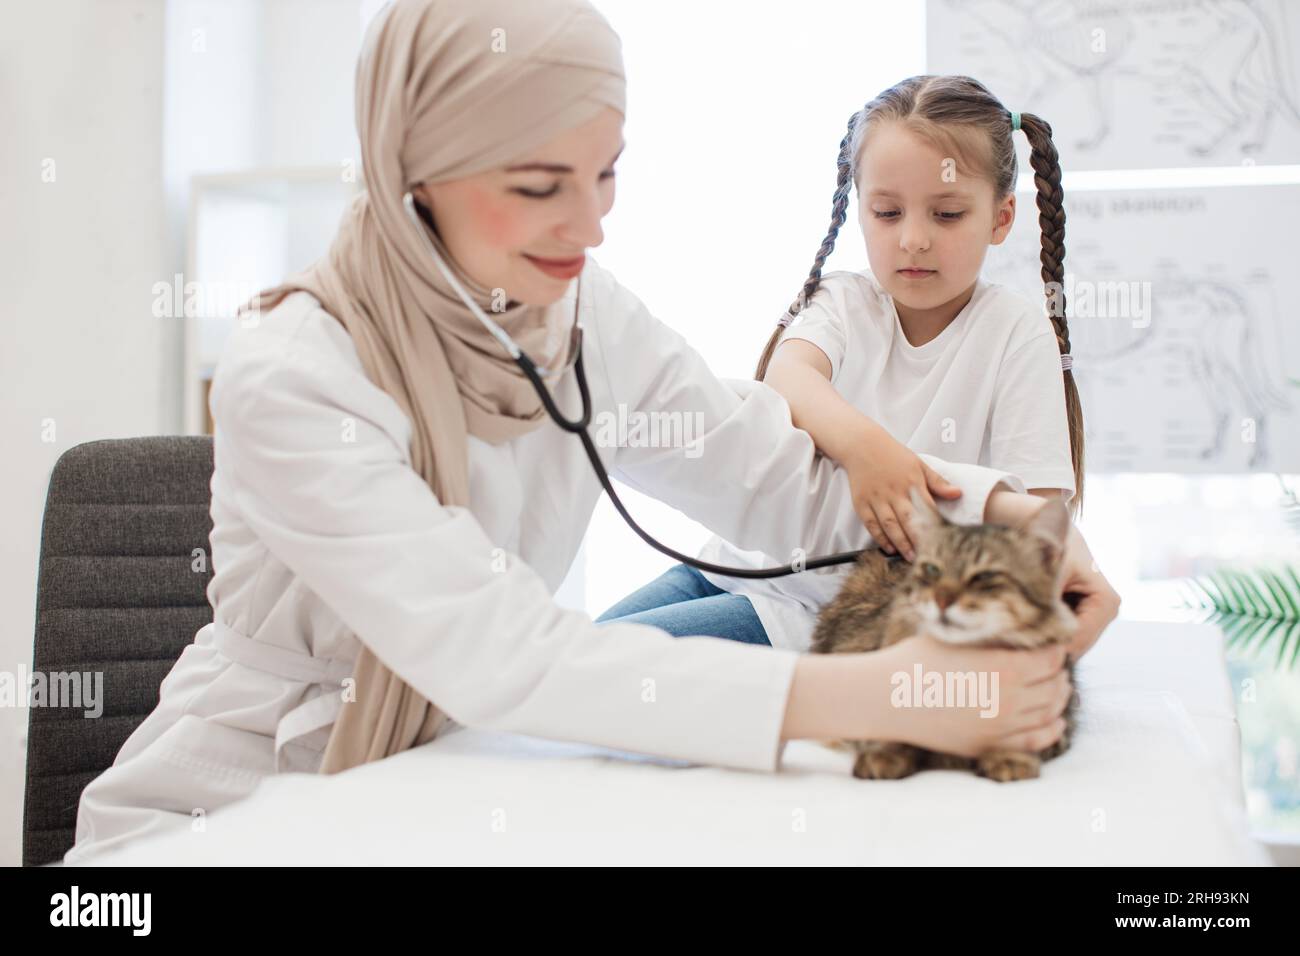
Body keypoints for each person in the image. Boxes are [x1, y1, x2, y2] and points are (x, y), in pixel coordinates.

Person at [65, 0, 1117, 864]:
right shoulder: (292, 373)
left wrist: (1003, 512)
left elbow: (763, 472)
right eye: (539, 187)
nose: (591, 223)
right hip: (234, 813)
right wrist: (887, 694)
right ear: (414, 170)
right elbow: (500, 650)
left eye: (606, 173)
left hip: (446, 768)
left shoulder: (570, 309)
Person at [601, 75, 1085, 653]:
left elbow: (1038, 517)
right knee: (563, 657)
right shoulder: (845, 300)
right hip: (733, 565)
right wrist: (868, 452)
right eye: (886, 212)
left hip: (835, 611)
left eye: (947, 214)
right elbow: (789, 377)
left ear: (1002, 218)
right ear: (859, 209)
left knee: (595, 670)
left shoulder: (1014, 332)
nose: (913, 239)